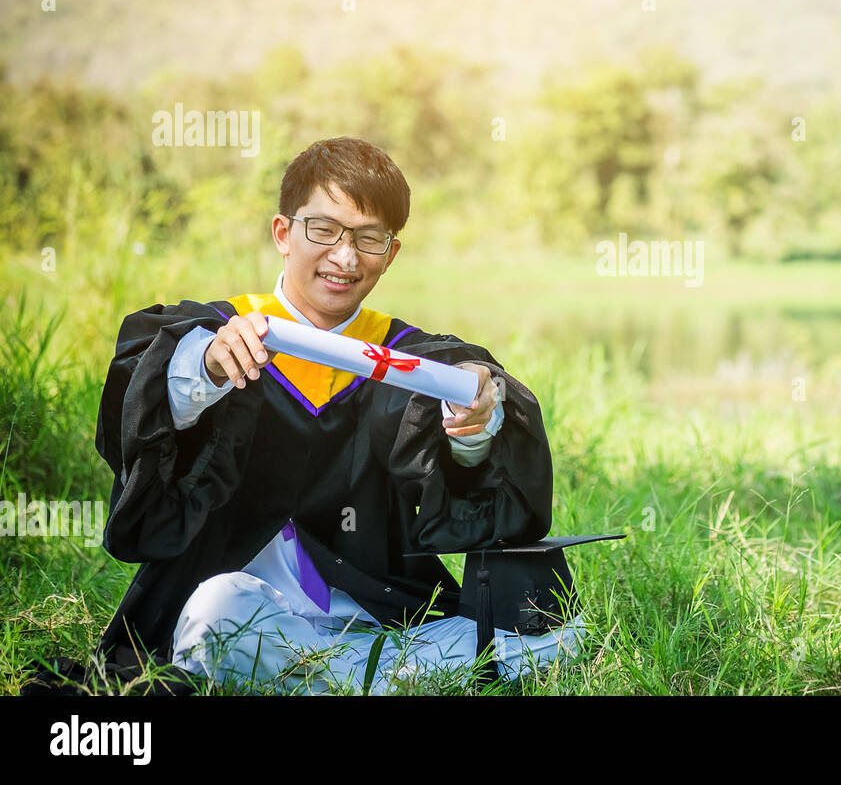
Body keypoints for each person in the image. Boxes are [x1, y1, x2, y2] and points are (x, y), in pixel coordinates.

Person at [93, 136, 580, 694]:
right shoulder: (216, 335)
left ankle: (330, 676)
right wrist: (206, 370)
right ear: (283, 233)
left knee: (553, 637)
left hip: (373, 613)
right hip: (238, 603)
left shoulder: (405, 356)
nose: (345, 258)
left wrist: (473, 417)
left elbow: (473, 447)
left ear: (390, 253)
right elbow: (139, 413)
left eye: (369, 239)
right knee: (216, 613)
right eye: (323, 230)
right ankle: (367, 679)